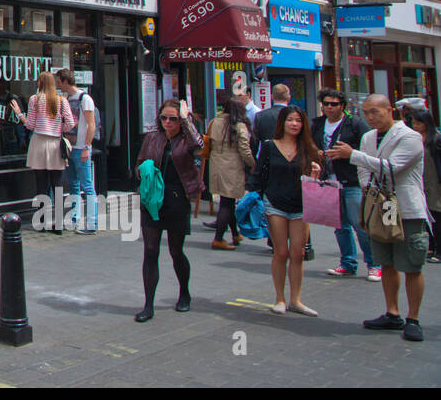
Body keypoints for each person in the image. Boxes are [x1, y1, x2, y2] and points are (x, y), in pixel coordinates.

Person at [328, 94, 430, 342]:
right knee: (387, 261)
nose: (371, 117)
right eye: (366, 112)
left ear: (389, 110)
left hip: (406, 208)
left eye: (375, 111)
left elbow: (392, 167)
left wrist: (353, 156)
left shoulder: (410, 137)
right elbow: (364, 170)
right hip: (382, 207)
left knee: (411, 264)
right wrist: (368, 189)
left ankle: (413, 318)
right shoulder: (368, 137)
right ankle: (392, 312)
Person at [246, 105, 324, 316]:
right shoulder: (270, 146)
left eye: (298, 120)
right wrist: (249, 195)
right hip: (275, 204)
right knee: (281, 252)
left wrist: (317, 170)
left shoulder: (309, 148)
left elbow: (320, 176)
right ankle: (279, 299)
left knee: (298, 253)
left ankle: (296, 300)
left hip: (301, 205)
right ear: (282, 122)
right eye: (290, 120)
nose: (294, 124)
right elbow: (259, 173)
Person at [132, 99, 202, 322]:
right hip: (152, 200)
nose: (168, 123)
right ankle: (148, 304)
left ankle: (184, 293)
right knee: (150, 250)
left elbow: (199, 147)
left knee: (175, 251)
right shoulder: (152, 137)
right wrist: (143, 173)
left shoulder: (186, 138)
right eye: (164, 118)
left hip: (176, 199)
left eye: (173, 118)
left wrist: (186, 119)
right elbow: (140, 162)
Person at [311, 88, 377, 280]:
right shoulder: (317, 124)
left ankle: (374, 264)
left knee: (359, 224)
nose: (329, 107)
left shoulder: (354, 124)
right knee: (339, 225)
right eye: (326, 104)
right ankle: (347, 262)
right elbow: (310, 144)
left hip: (351, 180)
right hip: (329, 180)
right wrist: (316, 153)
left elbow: (369, 149)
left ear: (342, 106)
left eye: (334, 104)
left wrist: (349, 153)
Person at [14, 72, 74, 233]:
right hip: (55, 144)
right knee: (58, 186)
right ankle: (59, 224)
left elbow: (31, 125)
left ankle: (40, 222)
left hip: (39, 143)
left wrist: (20, 114)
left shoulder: (35, 99)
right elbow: (70, 123)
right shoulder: (62, 101)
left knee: (41, 185)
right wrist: (58, 129)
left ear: (41, 82)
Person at [205, 95, 255, 249]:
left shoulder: (215, 122)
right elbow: (244, 150)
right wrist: (253, 165)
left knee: (228, 201)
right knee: (227, 203)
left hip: (215, 165)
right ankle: (218, 238)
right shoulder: (239, 126)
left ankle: (235, 234)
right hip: (232, 167)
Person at [57, 68, 97, 234]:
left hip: (81, 148)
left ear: (66, 81)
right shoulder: (67, 98)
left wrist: (87, 147)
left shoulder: (84, 98)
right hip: (70, 148)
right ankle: (75, 218)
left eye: (59, 82)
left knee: (87, 186)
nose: (58, 86)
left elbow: (91, 124)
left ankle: (92, 223)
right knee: (73, 184)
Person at [406, 109, 441, 264]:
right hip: (420, 181)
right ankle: (431, 247)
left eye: (419, 123)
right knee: (426, 216)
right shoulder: (414, 139)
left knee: (437, 216)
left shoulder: (436, 139)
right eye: (414, 123)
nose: (416, 126)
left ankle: (439, 250)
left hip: (435, 181)